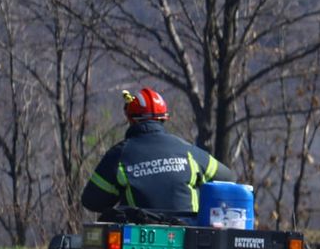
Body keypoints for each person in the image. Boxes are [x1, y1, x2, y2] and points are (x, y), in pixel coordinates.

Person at [81, 87, 235, 215]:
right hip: (189, 241)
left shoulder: (119, 156)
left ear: (131, 119)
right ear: (164, 119)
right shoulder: (188, 151)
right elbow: (228, 178)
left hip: (138, 243)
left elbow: (91, 201)